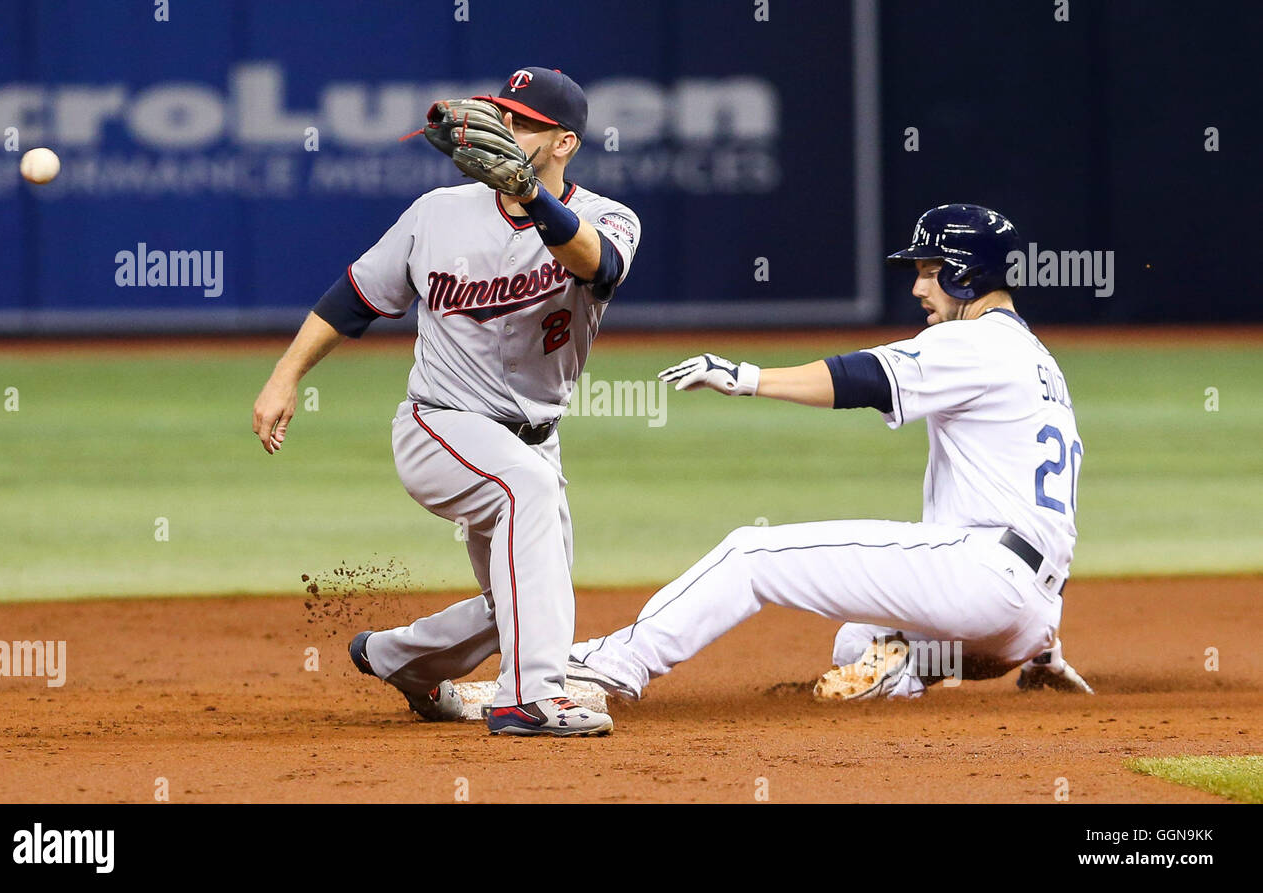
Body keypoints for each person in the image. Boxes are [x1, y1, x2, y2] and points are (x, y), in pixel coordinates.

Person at [567, 204, 1093, 703]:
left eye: (930, 272)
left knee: (750, 555)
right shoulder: (1038, 360)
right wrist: (1039, 652)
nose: (917, 287)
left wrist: (747, 378)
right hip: (1031, 620)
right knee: (855, 645)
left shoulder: (976, 342)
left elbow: (863, 377)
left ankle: (614, 665)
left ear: (966, 275)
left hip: (981, 581)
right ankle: (910, 674)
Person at [253, 67, 639, 736]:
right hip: (440, 425)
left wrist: (529, 196)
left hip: (534, 436)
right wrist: (285, 375)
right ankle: (530, 697)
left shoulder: (609, 217)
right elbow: (354, 298)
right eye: (500, 115)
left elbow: (596, 265)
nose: (502, 129)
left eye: (520, 121)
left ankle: (399, 658)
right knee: (527, 491)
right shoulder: (437, 213)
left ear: (565, 143)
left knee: (525, 597)